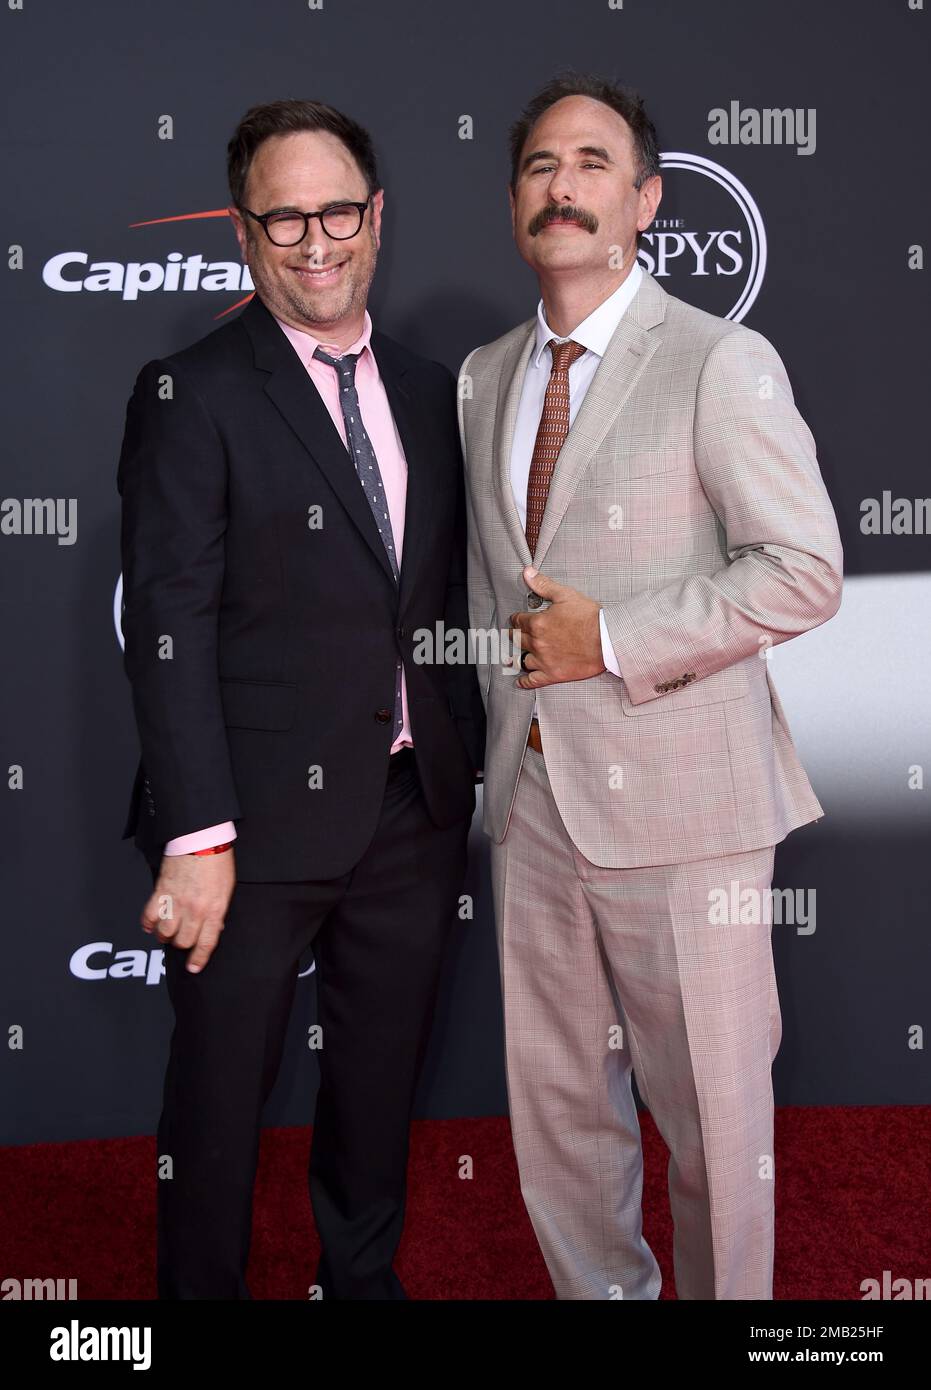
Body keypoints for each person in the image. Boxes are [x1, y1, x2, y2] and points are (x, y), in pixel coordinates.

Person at [458, 72, 843, 1300]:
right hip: (531, 813)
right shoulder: (483, 375)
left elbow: (803, 569)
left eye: (590, 163)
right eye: (537, 167)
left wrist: (611, 638)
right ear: (515, 199)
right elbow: (485, 595)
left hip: (688, 816)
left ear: (645, 201)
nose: (559, 186)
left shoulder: (720, 358)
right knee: (564, 1125)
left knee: (718, 1132)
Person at [118, 98, 484, 1300]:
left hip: (409, 811)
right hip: (248, 829)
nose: (315, 239)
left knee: (378, 1098)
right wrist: (198, 833)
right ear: (244, 230)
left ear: (377, 220)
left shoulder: (438, 392)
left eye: (339, 211)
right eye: (286, 216)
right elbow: (165, 620)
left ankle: (358, 1288)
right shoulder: (191, 390)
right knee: (217, 1113)